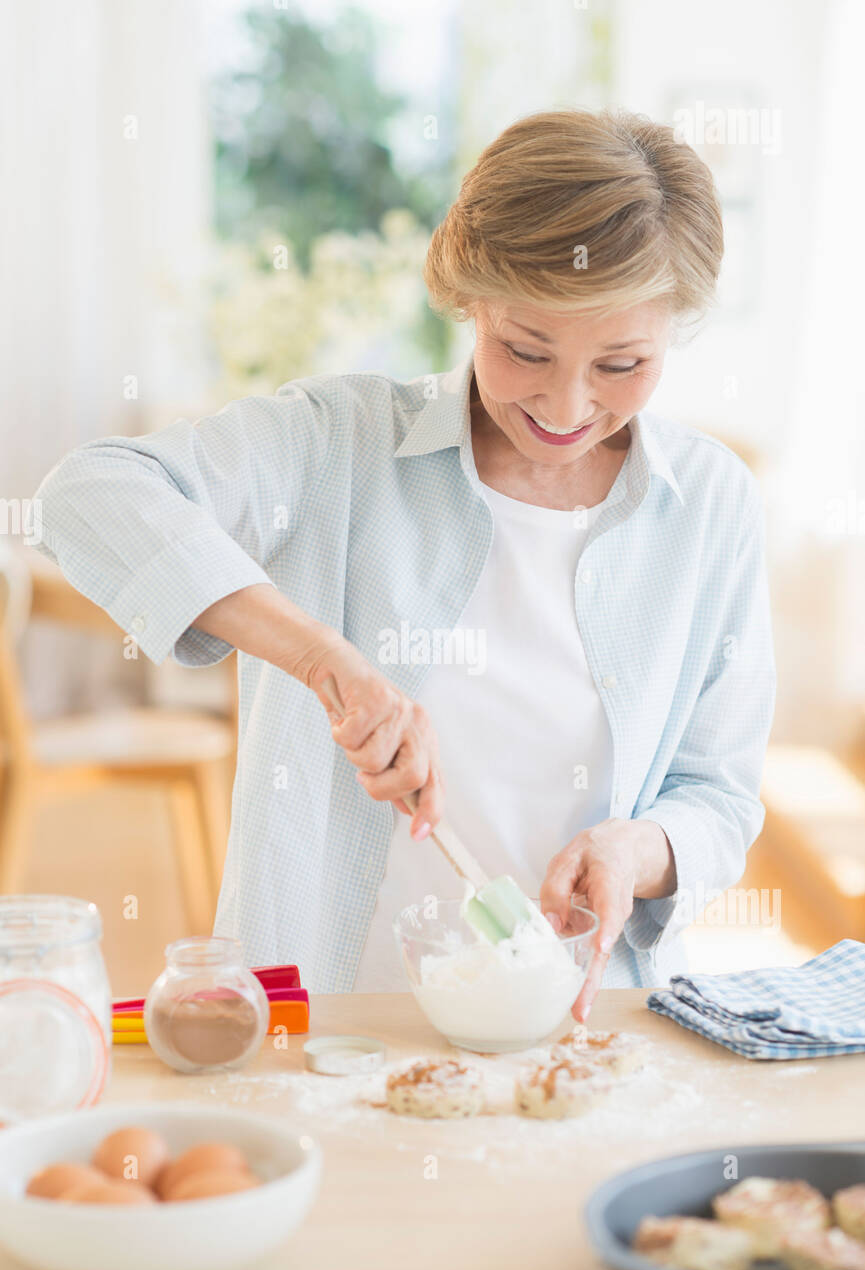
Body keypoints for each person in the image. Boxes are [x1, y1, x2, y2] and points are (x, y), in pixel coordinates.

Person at [33, 109, 775, 1017]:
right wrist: (323, 658)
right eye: (524, 350)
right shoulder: (335, 444)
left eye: (621, 364)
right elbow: (89, 492)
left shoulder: (710, 506)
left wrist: (639, 849)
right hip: (325, 1019)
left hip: (582, 1018)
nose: (565, 404)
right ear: (468, 300)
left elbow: (719, 796)